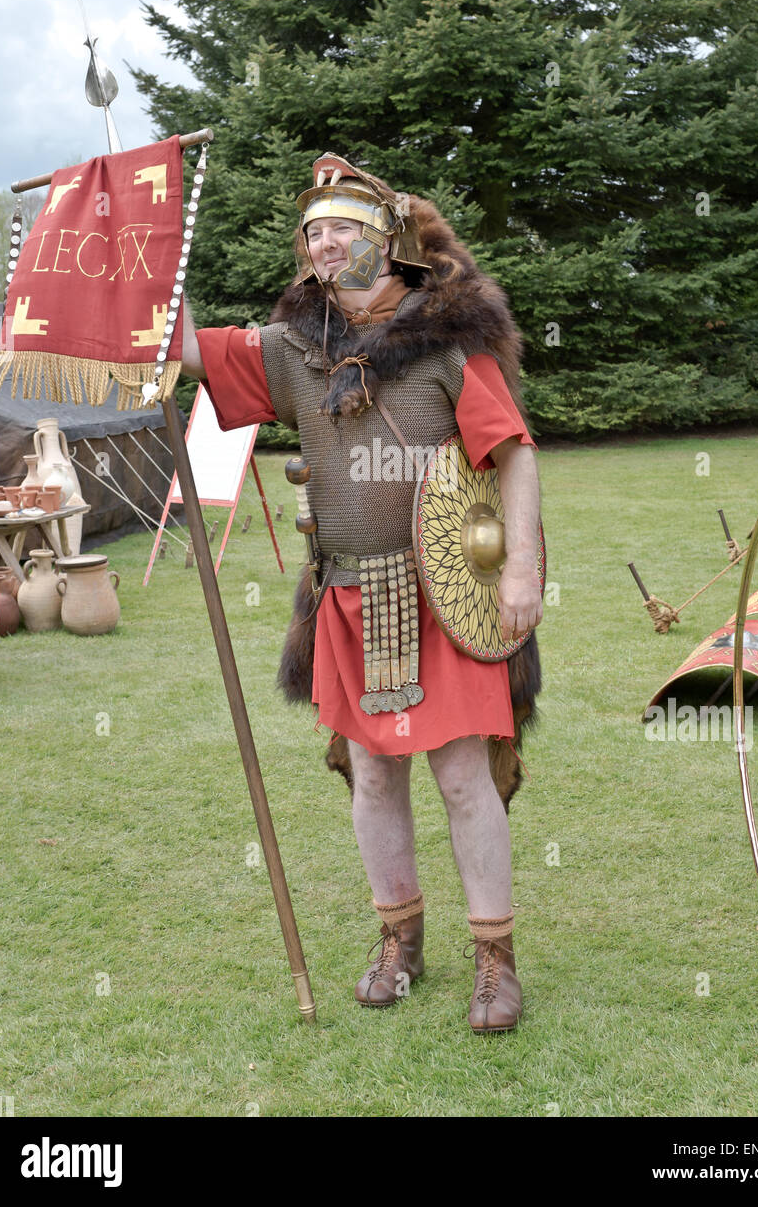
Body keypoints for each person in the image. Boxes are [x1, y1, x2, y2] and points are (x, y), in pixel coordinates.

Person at [179, 154, 543, 1032]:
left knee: (462, 777)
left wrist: (524, 564)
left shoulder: (446, 342)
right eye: (312, 230)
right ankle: (400, 941)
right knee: (374, 778)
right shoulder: (294, 349)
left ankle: (495, 959)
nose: (325, 239)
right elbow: (184, 349)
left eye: (342, 225)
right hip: (344, 595)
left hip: (444, 596)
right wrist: (152, 261)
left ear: (384, 241)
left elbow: (513, 449)